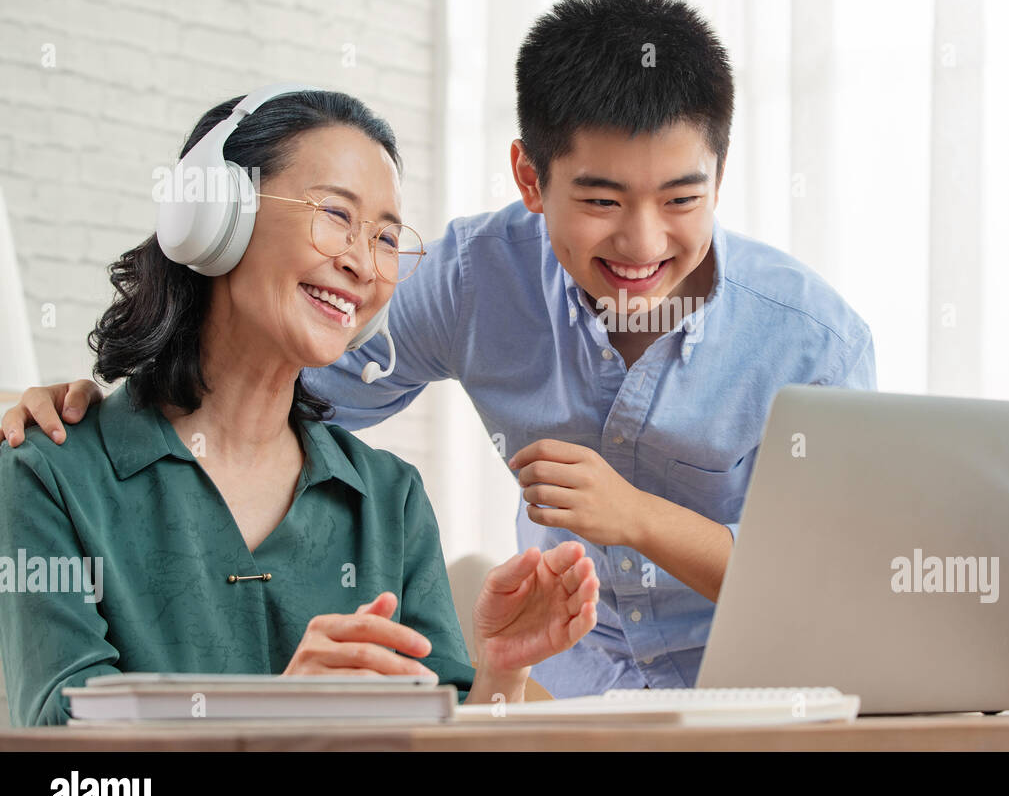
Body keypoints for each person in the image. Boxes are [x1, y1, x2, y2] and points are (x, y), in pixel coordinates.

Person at [3, 0, 874, 699]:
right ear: (530, 179)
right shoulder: (471, 280)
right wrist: (94, 402)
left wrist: (626, 533)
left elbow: (841, 593)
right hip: (571, 707)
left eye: (386, 236)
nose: (642, 245)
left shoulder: (387, 503)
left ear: (720, 178)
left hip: (759, 704)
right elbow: (278, 383)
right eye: (603, 201)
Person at [0, 89, 598, 726]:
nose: (363, 263)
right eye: (337, 215)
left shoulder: (388, 497)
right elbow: (69, 765)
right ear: (215, 215)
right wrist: (272, 716)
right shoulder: (50, 474)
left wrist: (501, 674)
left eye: (388, 238)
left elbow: (437, 747)